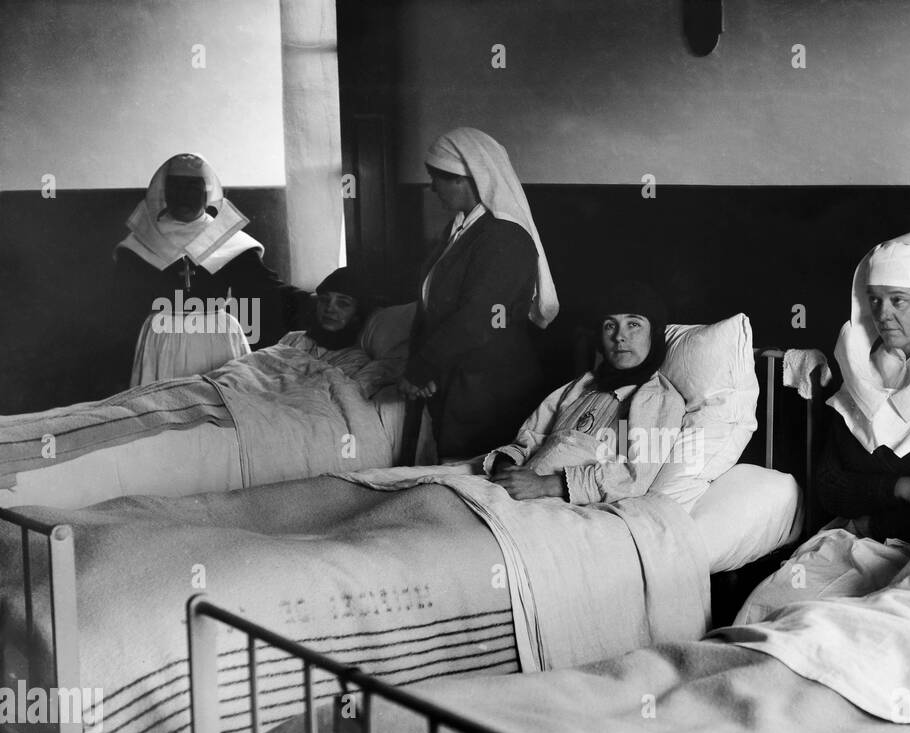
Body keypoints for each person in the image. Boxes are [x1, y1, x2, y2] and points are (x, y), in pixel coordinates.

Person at [736, 222, 910, 623]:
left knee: (852, 633)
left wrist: (873, 517)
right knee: (765, 614)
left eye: (898, 301)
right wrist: (899, 486)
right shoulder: (861, 371)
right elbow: (829, 484)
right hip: (844, 541)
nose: (883, 314)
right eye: (875, 300)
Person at [400, 127, 559, 461]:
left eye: (437, 179)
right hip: (459, 378)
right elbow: (432, 307)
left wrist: (423, 368)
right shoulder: (463, 229)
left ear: (465, 178)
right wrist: (424, 368)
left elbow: (478, 319)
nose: (431, 188)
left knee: (475, 482)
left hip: (489, 387)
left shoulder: (504, 238)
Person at [113, 153, 308, 384]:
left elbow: (268, 289)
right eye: (176, 187)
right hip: (162, 340)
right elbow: (119, 302)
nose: (184, 196)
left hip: (219, 339)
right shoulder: (142, 241)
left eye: (193, 188)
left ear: (207, 194)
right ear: (164, 192)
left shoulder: (229, 240)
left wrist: (313, 301)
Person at [483, 281, 685, 504]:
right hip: (521, 488)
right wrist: (507, 470)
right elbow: (529, 438)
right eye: (610, 325)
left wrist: (544, 485)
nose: (619, 336)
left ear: (654, 335)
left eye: (634, 324)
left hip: (567, 504)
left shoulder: (656, 399)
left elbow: (631, 477)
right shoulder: (585, 385)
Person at [276, 267, 398, 399]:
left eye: (343, 303)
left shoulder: (356, 360)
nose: (329, 308)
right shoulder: (292, 338)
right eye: (324, 300)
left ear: (357, 313)